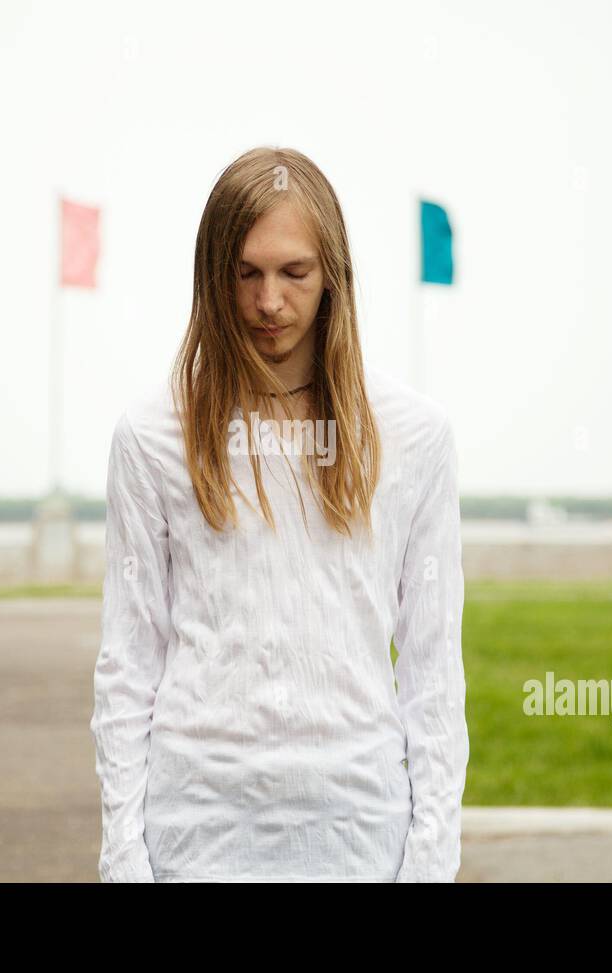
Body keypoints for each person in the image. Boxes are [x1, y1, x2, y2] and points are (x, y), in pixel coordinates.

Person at [88, 145, 468, 882]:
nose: (269, 302)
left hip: (358, 830)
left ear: (333, 277)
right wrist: (123, 857)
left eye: (294, 273)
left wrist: (431, 860)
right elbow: (129, 660)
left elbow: (433, 672)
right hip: (195, 832)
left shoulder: (415, 436)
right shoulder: (151, 436)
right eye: (247, 273)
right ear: (213, 278)